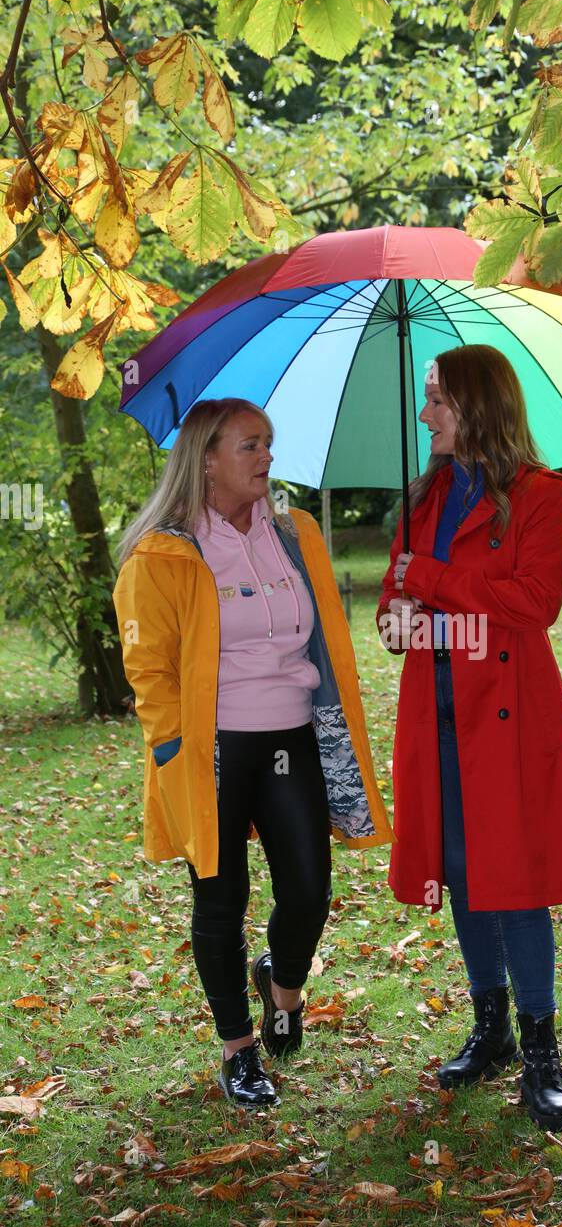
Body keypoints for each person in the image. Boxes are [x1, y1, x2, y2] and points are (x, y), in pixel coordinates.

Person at [113, 397, 393, 1109]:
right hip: (214, 747)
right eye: (249, 446)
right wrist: (177, 746)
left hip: (291, 734)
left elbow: (320, 634)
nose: (266, 457)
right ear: (206, 459)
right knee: (220, 898)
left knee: (308, 889)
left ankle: (283, 984)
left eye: (267, 444)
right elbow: (148, 666)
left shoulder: (295, 533)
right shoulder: (165, 551)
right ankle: (238, 1050)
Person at [376, 346, 562, 1131]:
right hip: (433, 708)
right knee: (462, 871)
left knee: (519, 879)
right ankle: (494, 1029)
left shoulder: (541, 494)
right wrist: (397, 619)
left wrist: (429, 582)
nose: (424, 412)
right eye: (425, 397)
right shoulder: (422, 497)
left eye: (436, 398)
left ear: (478, 404)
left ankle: (542, 1048)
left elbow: (535, 602)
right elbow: (392, 614)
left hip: (507, 713)